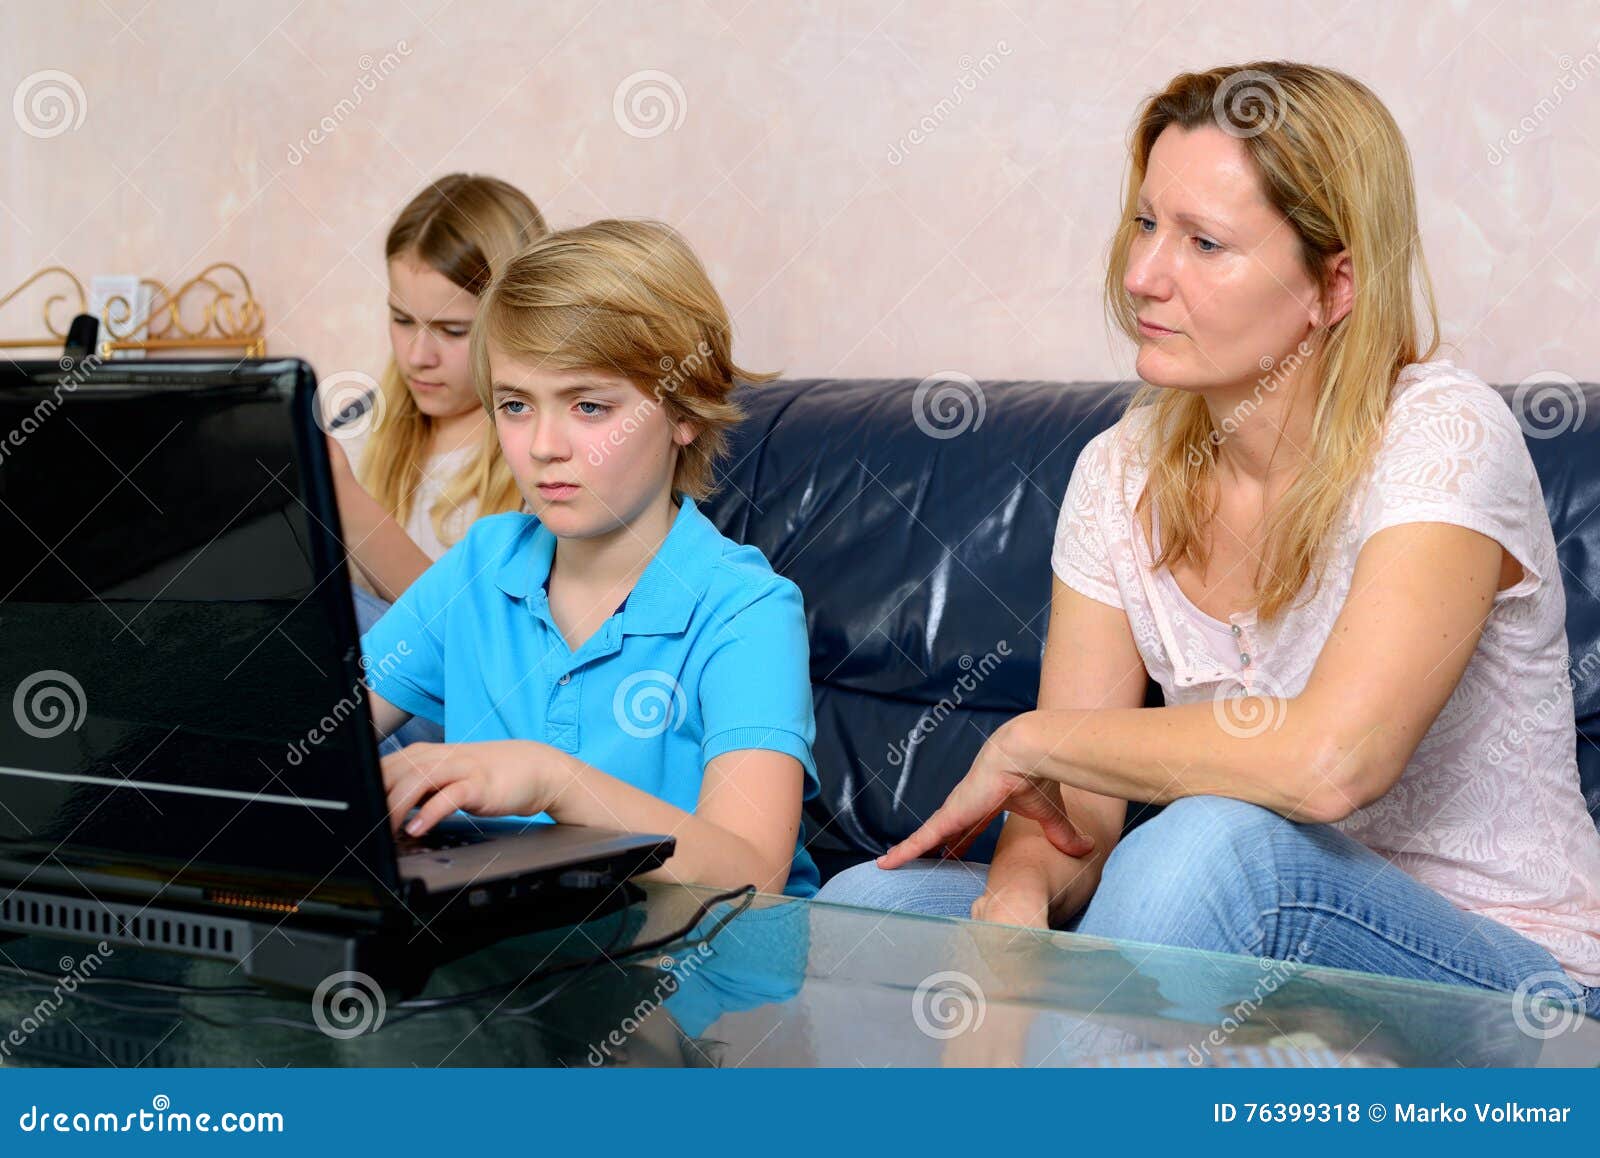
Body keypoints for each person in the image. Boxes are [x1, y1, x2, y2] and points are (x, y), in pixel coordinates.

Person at [817, 61, 1600, 1016]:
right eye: (1146, 223)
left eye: (1204, 242)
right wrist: (1016, 901)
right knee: (868, 913)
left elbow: (1333, 763)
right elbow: (1077, 814)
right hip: (1230, 945)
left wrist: (1030, 739)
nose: (1142, 276)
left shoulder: (1443, 434)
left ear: (1336, 284)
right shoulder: (1119, 472)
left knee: (1206, 843)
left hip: (1512, 987)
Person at [360, 219, 821, 897]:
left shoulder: (746, 611)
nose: (543, 445)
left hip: (701, 950)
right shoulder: (482, 564)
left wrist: (553, 779)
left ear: (684, 413)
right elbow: (307, 744)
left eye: (588, 406)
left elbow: (755, 874)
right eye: (516, 405)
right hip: (506, 943)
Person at [324, 173, 546, 749]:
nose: (418, 356)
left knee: (343, 618)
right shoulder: (363, 427)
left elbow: (480, 642)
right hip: (365, 714)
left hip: (475, 718)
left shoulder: (544, 451)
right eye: (402, 320)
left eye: (452, 330)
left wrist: (347, 505)